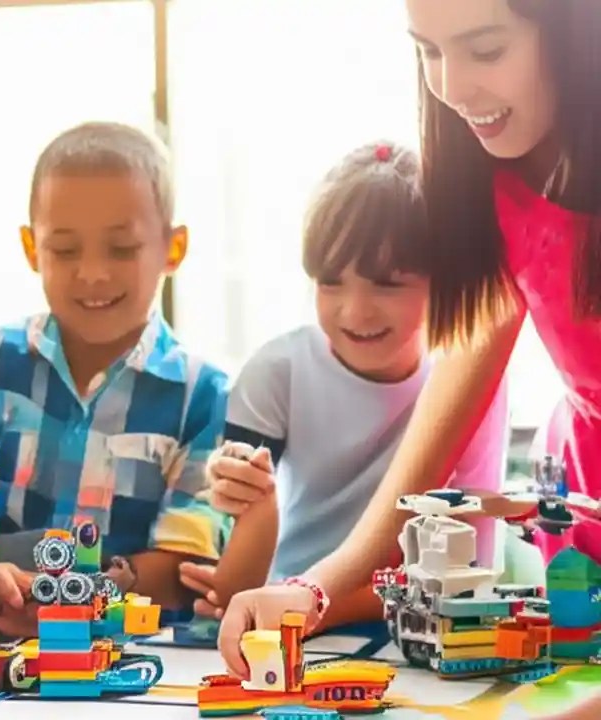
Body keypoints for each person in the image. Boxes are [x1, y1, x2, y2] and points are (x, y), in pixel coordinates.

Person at [217, 2, 601, 704]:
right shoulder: (488, 175)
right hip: (583, 515)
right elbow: (457, 384)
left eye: (486, 50)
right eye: (428, 51)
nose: (450, 87)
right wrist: (314, 589)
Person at [0, 121, 261, 633]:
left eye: (121, 249)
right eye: (66, 250)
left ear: (173, 248)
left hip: (128, 653)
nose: (92, 273)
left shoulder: (203, 396)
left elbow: (183, 569)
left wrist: (72, 592)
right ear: (32, 248)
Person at [179, 141, 510, 628]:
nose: (355, 311)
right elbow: (234, 587)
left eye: (388, 283)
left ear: (443, 279)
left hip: (395, 623)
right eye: (330, 282)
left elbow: (465, 571)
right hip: (288, 616)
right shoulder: (278, 371)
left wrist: (308, 604)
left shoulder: (468, 377)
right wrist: (251, 502)